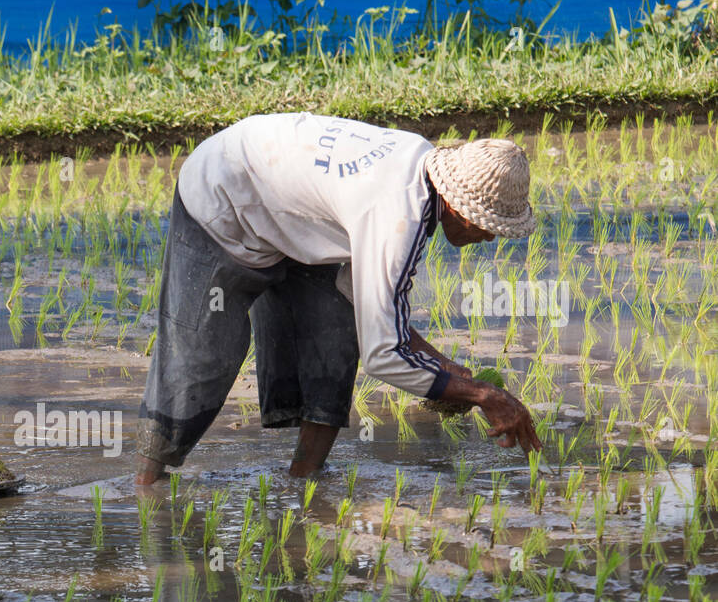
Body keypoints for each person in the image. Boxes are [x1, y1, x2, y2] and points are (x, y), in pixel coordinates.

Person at [135, 112, 543, 486]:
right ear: (458, 205)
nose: (488, 236)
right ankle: (146, 485)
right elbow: (384, 354)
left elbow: (372, 309)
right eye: (487, 225)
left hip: (291, 208)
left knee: (334, 334)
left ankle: (304, 481)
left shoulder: (419, 171)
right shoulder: (399, 216)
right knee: (203, 354)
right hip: (225, 193)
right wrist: (485, 395)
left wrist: (444, 367)